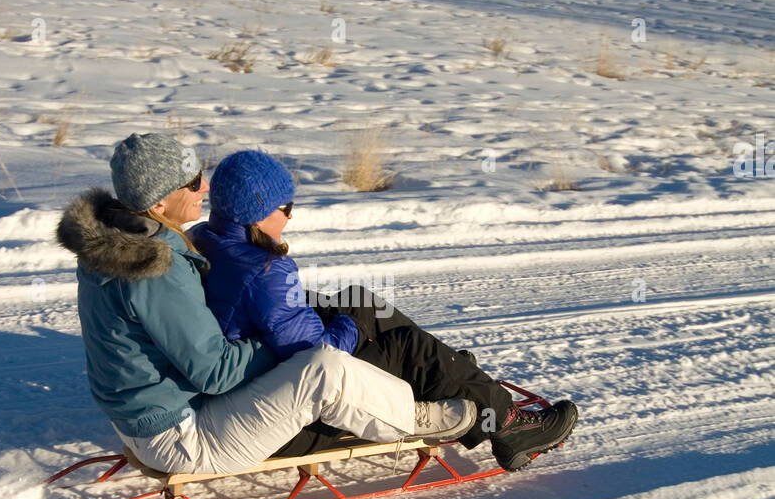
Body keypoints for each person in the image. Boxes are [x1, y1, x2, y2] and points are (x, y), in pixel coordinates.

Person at [56, 133, 479, 477]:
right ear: (159, 203)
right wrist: (276, 341)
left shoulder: (115, 242)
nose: (204, 186)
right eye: (191, 183)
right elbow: (216, 371)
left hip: (144, 421)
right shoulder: (155, 266)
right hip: (182, 439)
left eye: (200, 174)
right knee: (323, 369)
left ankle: (421, 382)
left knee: (315, 338)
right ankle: (413, 419)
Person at [191, 149, 578, 472]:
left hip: (261, 375)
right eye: (286, 207)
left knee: (359, 300)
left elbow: (278, 320)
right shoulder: (263, 269)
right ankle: (506, 424)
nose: (291, 217)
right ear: (256, 212)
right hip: (282, 405)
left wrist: (346, 316)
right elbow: (314, 356)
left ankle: (448, 374)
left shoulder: (205, 239)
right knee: (407, 345)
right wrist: (351, 327)